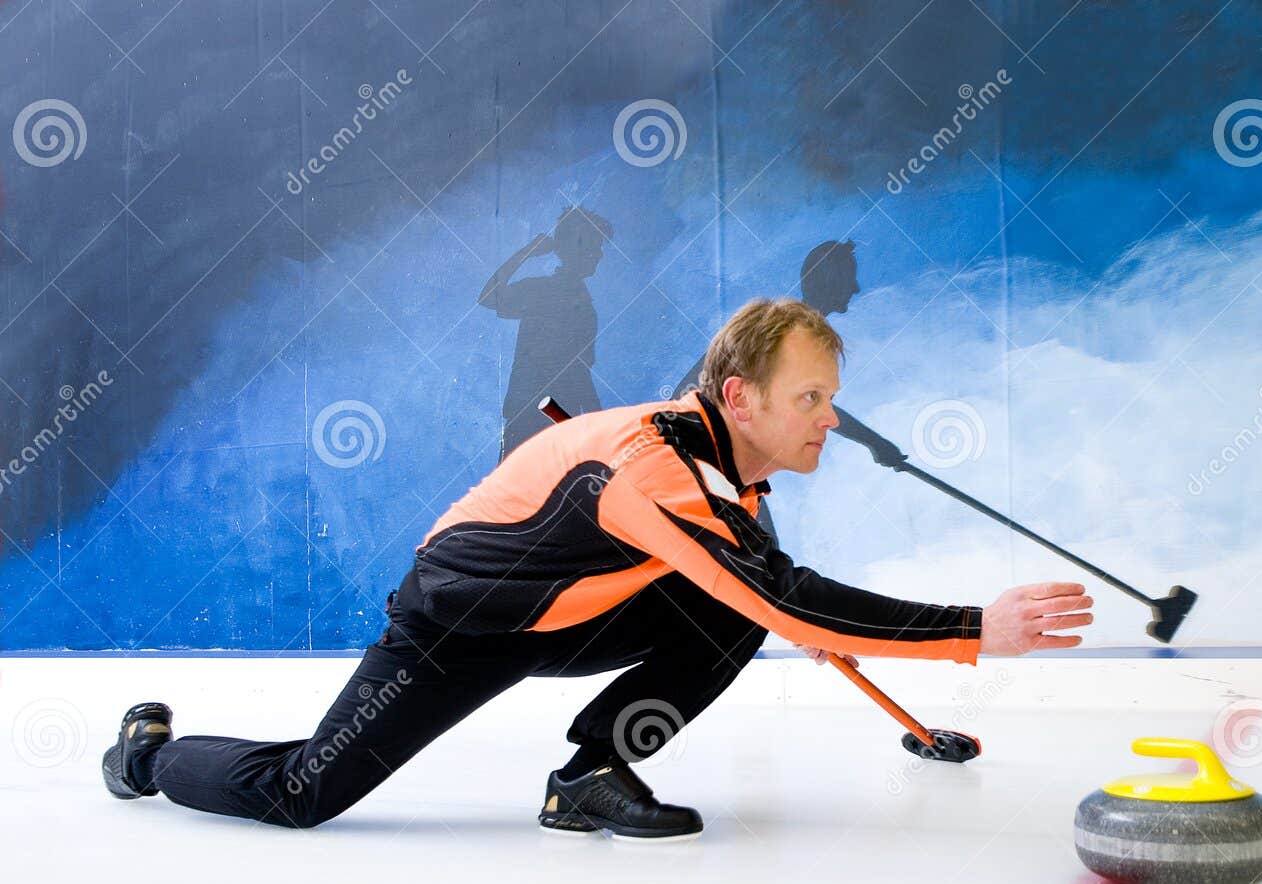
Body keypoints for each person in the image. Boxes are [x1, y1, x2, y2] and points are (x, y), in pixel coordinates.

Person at [101, 299, 1094, 839]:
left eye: (831, 398)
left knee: (734, 603)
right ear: (740, 397)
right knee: (305, 793)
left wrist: (765, 593)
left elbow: (758, 588)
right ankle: (145, 755)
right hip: (456, 628)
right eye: (811, 399)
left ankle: (590, 778)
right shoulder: (651, 471)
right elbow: (785, 595)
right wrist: (974, 628)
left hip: (574, 612)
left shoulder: (726, 479)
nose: (828, 420)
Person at [670, 240, 860, 546]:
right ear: (830, 278)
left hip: (712, 463)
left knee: (763, 558)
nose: (856, 287)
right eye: (850, 276)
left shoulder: (788, 335)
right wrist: (877, 444)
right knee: (763, 562)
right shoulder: (789, 338)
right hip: (704, 463)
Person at [479, 206, 613, 461]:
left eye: (598, 247)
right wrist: (527, 252)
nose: (597, 254)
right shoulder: (543, 292)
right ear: (571, 248)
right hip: (533, 420)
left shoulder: (584, 308)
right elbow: (489, 298)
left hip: (557, 423)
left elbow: (580, 371)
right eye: (592, 246)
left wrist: (599, 428)